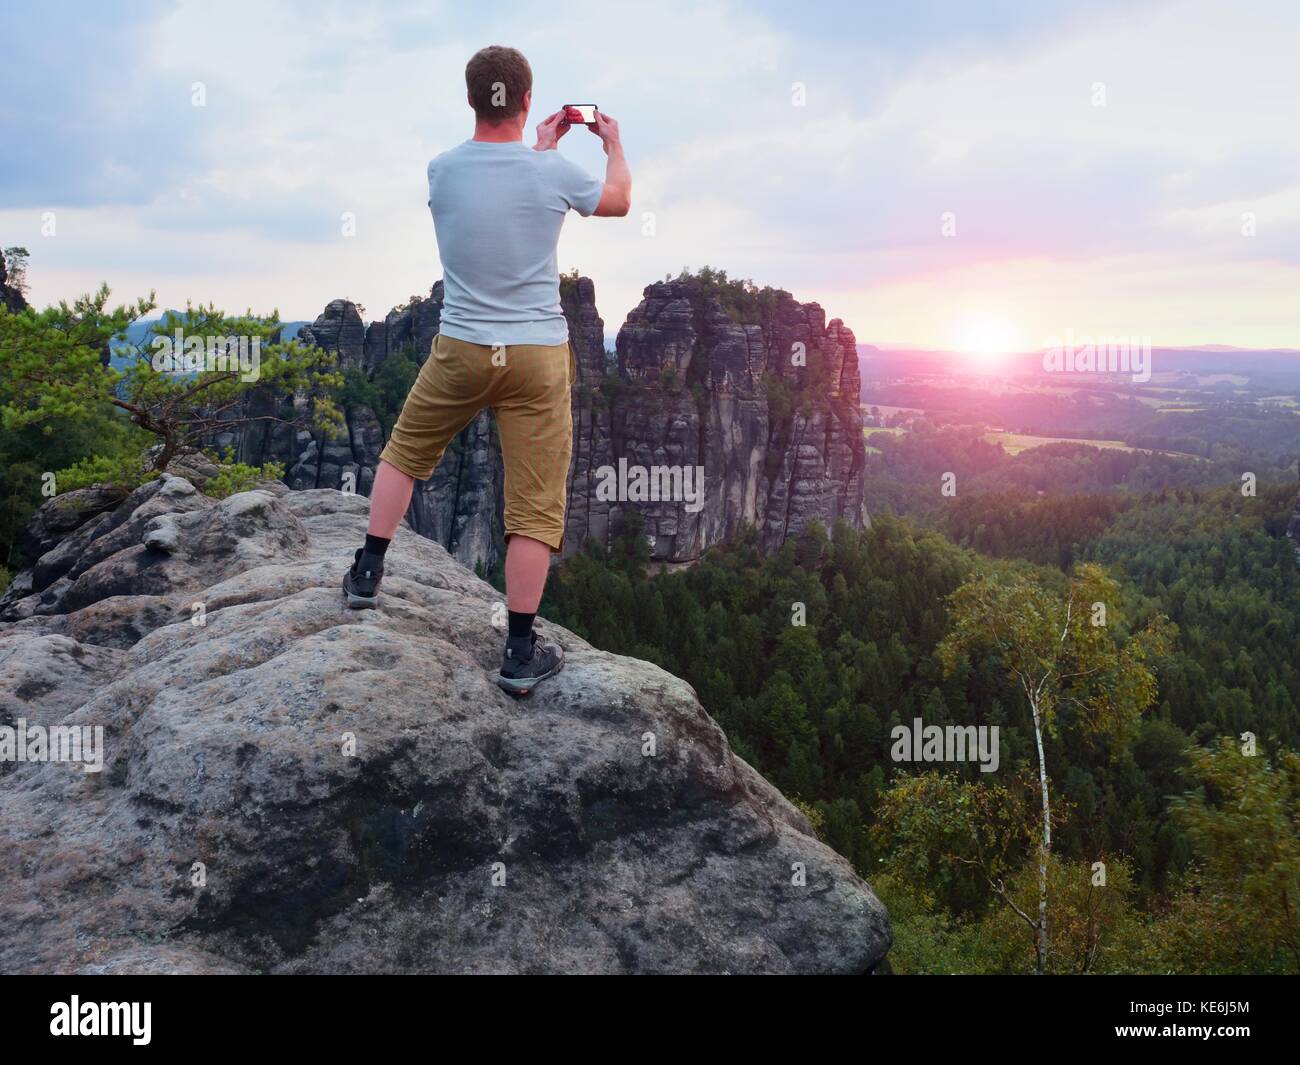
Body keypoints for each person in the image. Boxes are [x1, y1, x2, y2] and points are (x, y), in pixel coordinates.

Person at [342, 45, 631, 697]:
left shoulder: (441, 170)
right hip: (535, 356)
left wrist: (534, 150)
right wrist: (608, 143)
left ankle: (366, 572)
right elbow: (616, 201)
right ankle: (519, 651)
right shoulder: (549, 174)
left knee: (405, 452)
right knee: (532, 507)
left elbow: (494, 193)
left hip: (463, 345)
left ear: (472, 99)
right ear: (528, 101)